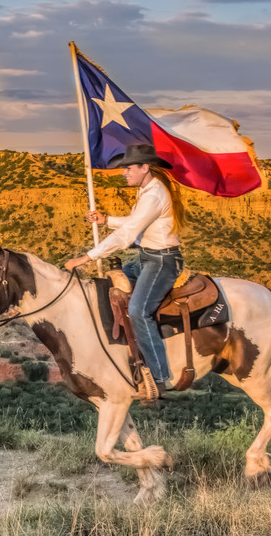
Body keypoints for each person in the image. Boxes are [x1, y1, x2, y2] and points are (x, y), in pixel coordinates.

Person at [64, 144, 186, 388]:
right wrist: (106, 220)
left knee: (140, 310)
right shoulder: (146, 190)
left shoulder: (153, 195)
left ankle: (160, 376)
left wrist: (86, 258)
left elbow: (128, 234)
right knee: (111, 282)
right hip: (146, 256)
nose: (124, 173)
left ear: (145, 167)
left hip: (162, 261)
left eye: (129, 168)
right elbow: (135, 221)